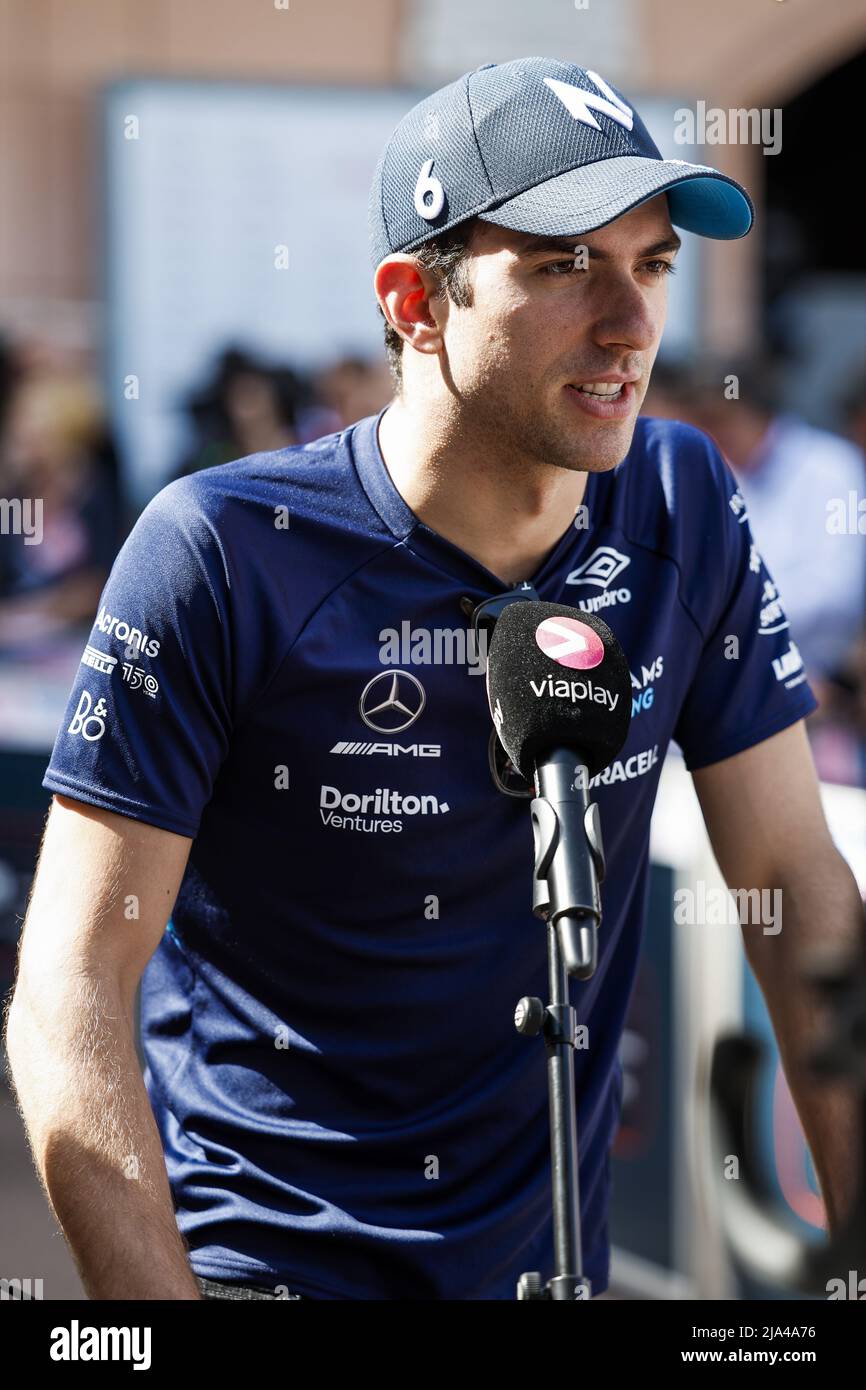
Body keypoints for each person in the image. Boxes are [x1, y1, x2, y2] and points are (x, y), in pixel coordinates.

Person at [5, 57, 863, 1302]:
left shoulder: (681, 502)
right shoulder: (222, 550)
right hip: (262, 1271)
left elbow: (793, 883)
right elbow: (70, 986)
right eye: (565, 265)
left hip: (549, 1272)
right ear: (413, 301)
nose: (629, 324)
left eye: (652, 264)